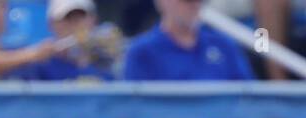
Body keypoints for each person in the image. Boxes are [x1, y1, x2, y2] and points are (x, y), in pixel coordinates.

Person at [123, 0, 254, 82]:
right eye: (186, 1)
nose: (194, 5)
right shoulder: (141, 53)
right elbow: (134, 108)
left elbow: (249, 98)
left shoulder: (225, 45)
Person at [15, 0, 122, 81]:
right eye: (67, 18)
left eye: (80, 17)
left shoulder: (109, 65)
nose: (75, 24)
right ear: (51, 23)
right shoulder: (38, 67)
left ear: (94, 20)